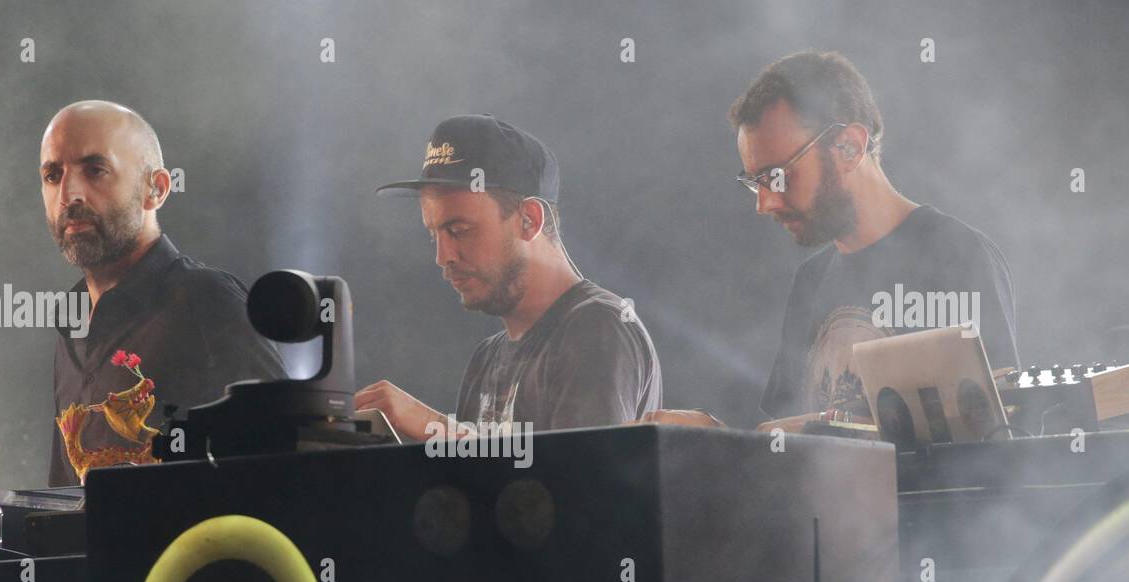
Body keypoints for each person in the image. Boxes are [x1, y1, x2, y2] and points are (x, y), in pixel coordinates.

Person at [652, 50, 1019, 431]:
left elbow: (995, 438)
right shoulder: (811, 279)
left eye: (776, 177)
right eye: (755, 183)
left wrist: (825, 429)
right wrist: (717, 437)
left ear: (849, 147)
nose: (765, 203)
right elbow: (788, 450)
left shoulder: (957, 255)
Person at [357, 114, 661, 439]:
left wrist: (437, 431)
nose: (443, 256)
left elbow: (582, 481)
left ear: (529, 220)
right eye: (435, 236)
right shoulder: (487, 358)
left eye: (459, 230)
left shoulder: (599, 326)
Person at [40, 100, 285, 485]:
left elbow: (285, 461)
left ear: (155, 189)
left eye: (95, 170)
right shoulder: (70, 317)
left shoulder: (209, 300)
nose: (69, 194)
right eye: (53, 175)